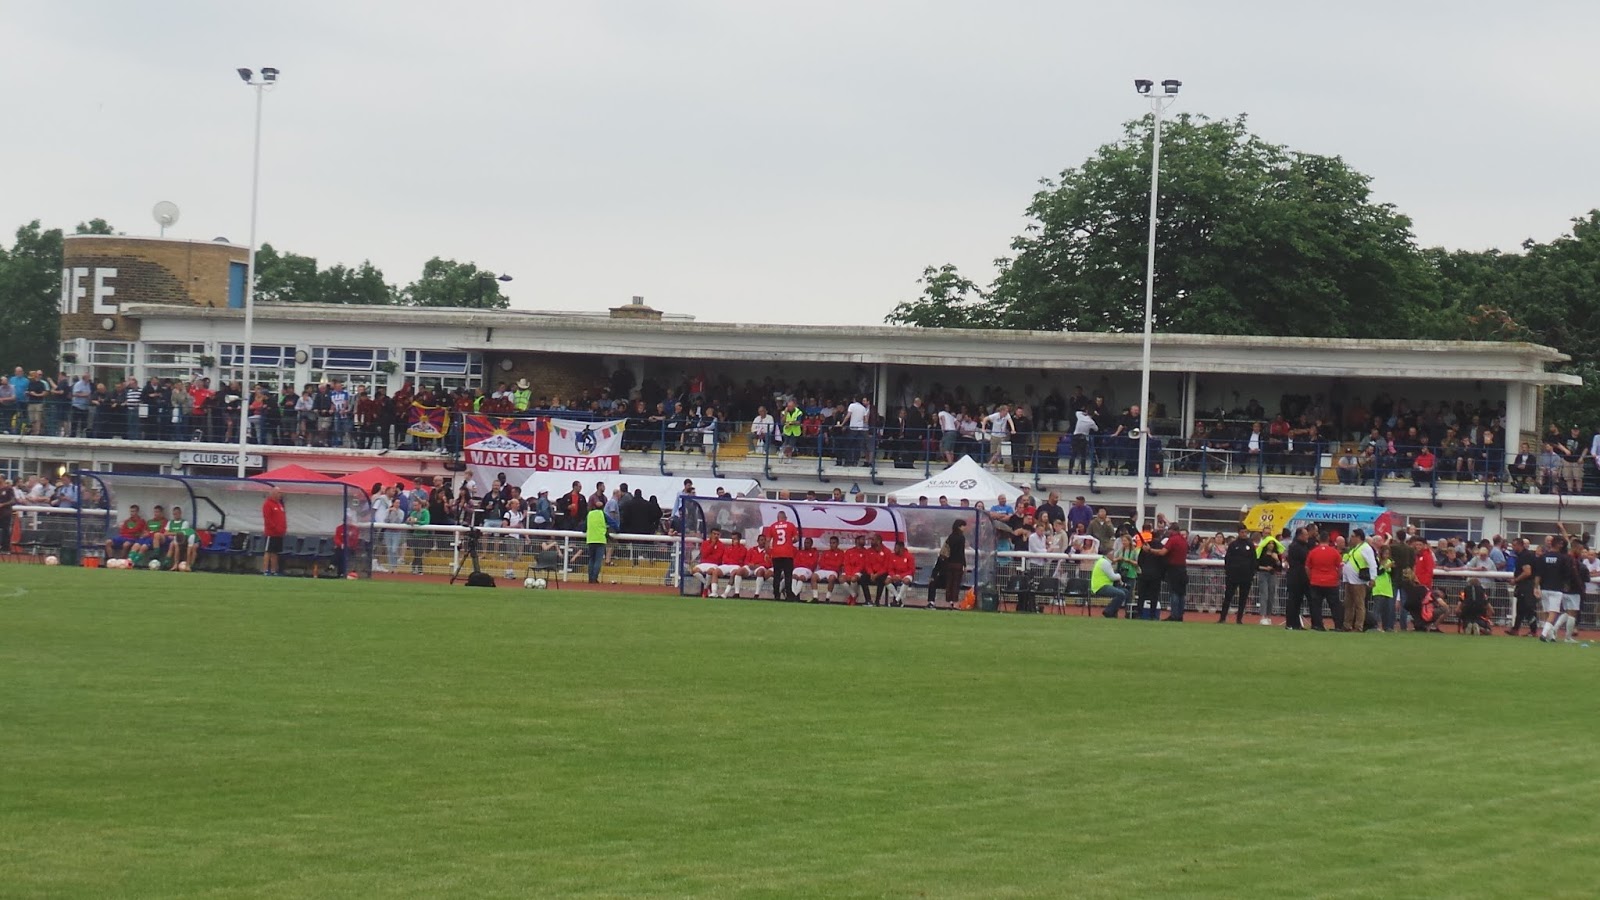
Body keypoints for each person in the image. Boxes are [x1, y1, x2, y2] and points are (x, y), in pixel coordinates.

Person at [1305, 530, 1345, 630]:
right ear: (1328, 539)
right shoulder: (1334, 552)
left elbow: (1307, 567)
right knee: (1335, 605)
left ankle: (1318, 625)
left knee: (1316, 605)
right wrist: (1337, 577)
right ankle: (1338, 626)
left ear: (1319, 539)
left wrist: (1311, 577)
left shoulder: (1313, 552)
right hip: (1331, 582)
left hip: (1316, 581)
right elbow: (1340, 567)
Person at [1341, 529, 1377, 632]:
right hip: (1350, 580)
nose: (1351, 538)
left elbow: (1372, 563)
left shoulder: (1366, 548)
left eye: (1353, 536)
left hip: (1358, 581)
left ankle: (1359, 626)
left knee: (1359, 604)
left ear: (1358, 537)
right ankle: (1347, 625)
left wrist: (1373, 578)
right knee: (1348, 604)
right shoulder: (1354, 549)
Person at [1218, 530, 1257, 624]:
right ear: (1239, 533)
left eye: (1245, 532)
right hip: (1233, 576)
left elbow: (1254, 560)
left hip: (1246, 576)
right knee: (1228, 596)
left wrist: (1251, 573)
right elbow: (1228, 559)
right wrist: (1228, 571)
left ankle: (1239, 619)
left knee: (1243, 598)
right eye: (1242, 532)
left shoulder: (1250, 545)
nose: (1244, 534)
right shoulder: (1233, 545)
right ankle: (1222, 618)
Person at [1154, 524, 1189, 621]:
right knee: (1181, 593)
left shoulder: (1172, 539)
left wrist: (1151, 550)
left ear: (1172, 530)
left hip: (1174, 569)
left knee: (1174, 593)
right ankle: (1180, 615)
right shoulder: (1183, 540)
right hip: (1183, 569)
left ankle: (1174, 615)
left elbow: (1162, 552)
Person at [763, 511, 799, 600]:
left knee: (777, 574)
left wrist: (768, 552)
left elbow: (767, 541)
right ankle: (789, 594)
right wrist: (790, 542)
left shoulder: (773, 526)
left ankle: (776, 594)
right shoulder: (790, 525)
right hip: (787, 553)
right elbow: (796, 538)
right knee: (788, 575)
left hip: (776, 553)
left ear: (778, 518)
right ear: (785, 518)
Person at [1507, 537, 1539, 636]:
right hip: (1524, 585)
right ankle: (1515, 629)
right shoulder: (1523, 555)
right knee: (1520, 608)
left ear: (1520, 545)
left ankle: (1533, 631)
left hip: (1527, 586)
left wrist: (1515, 580)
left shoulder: (1525, 556)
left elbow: (1527, 572)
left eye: (1514, 545)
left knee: (1529, 609)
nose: (1513, 547)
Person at [1256, 529, 1286, 623]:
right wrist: (1265, 568)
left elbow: (1279, 567)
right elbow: (1256, 565)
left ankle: (1269, 615)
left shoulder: (1276, 554)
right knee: (1264, 594)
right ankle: (1263, 616)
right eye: (1269, 543)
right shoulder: (1260, 552)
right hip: (1263, 574)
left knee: (1271, 595)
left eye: (1273, 543)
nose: (1271, 545)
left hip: (1272, 575)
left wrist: (1276, 560)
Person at [1092, 547, 1130, 618]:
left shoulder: (1102, 561)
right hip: (1100, 587)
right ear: (1109, 554)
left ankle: (1113, 612)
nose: (1114, 556)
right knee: (1120, 594)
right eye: (1113, 554)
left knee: (1125, 591)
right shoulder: (1105, 563)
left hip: (1104, 585)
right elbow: (1112, 577)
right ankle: (1108, 611)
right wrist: (1119, 575)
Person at [940, 519, 968, 609]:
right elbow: (961, 552)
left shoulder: (951, 537)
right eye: (963, 526)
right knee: (956, 583)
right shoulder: (961, 537)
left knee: (949, 583)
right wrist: (964, 564)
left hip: (949, 563)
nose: (964, 528)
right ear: (960, 526)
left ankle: (949, 602)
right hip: (958, 563)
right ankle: (954, 601)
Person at [261, 489, 287, 576]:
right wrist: (275, 528)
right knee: (268, 551)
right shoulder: (268, 504)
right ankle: (265, 570)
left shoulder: (279, 505)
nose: (280, 495)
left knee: (275, 552)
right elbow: (267, 519)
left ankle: (273, 570)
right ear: (273, 493)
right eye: (279, 493)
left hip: (279, 533)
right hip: (271, 533)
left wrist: (283, 529)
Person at [583, 499, 609, 584]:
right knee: (598, 561)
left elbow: (584, 527)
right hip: (600, 539)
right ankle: (594, 578)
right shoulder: (603, 514)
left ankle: (590, 578)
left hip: (590, 539)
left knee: (591, 560)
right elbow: (612, 523)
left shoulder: (589, 514)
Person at [885, 540, 916, 607]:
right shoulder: (892, 556)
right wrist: (893, 576)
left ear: (901, 548)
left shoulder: (909, 556)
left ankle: (896, 600)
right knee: (887, 581)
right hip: (895, 574)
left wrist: (901, 576)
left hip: (906, 574)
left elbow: (911, 570)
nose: (894, 549)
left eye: (896, 548)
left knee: (906, 581)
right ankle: (899, 599)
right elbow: (890, 569)